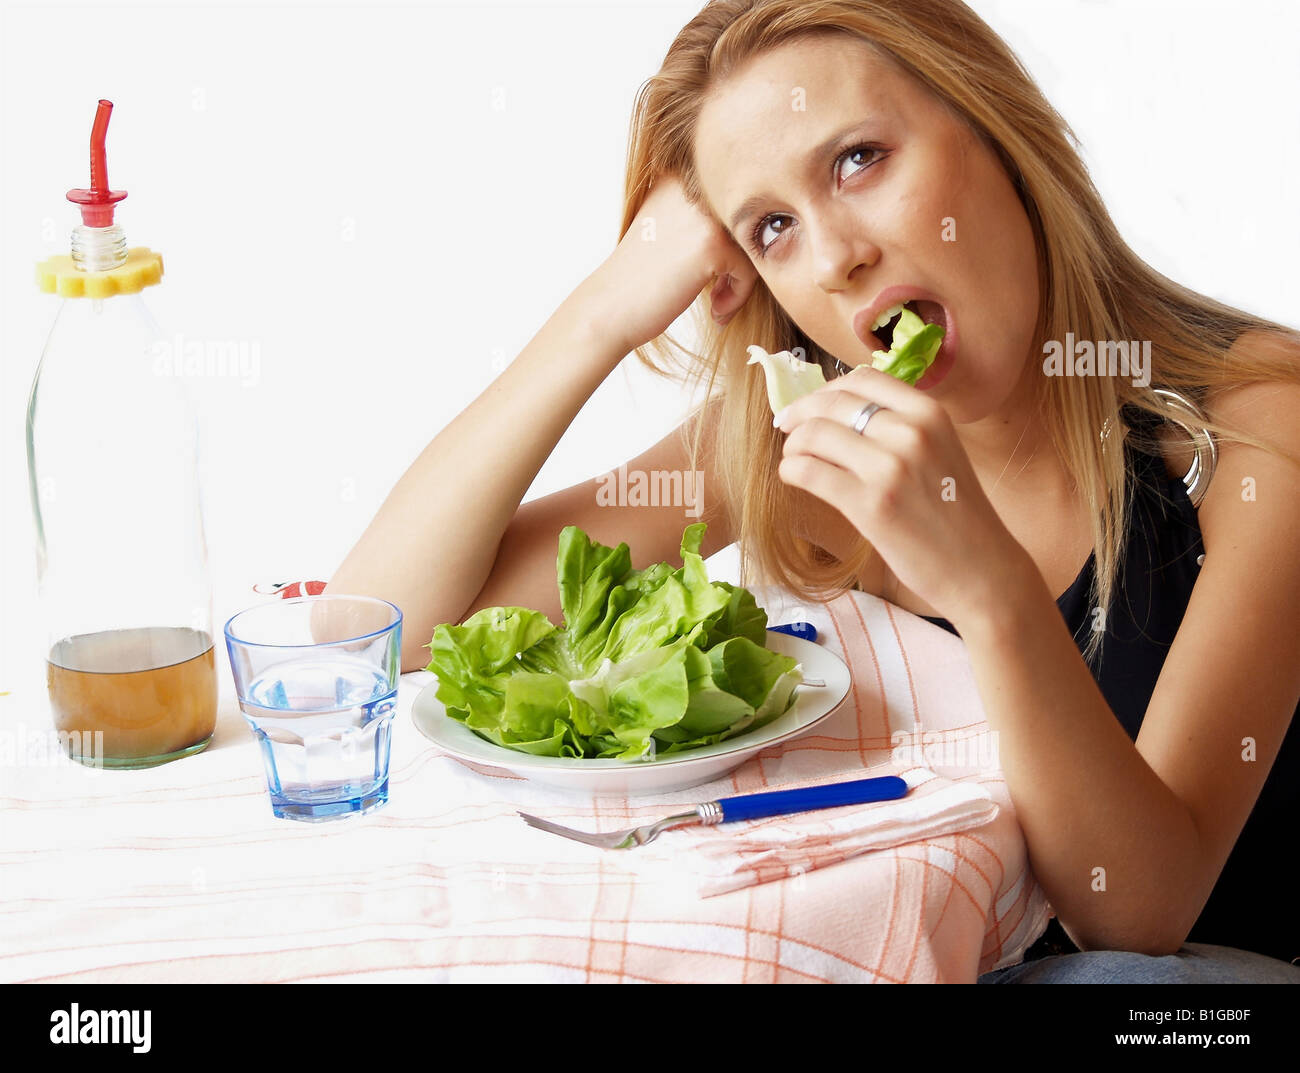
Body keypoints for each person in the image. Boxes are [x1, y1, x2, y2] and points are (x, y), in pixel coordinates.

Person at [327, 0, 1300, 982]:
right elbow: (376, 633)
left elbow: (1136, 912)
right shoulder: (804, 440)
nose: (837, 259)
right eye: (773, 227)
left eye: (859, 160)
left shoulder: (1256, 415)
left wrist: (987, 585)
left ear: (995, 129)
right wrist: (603, 313)